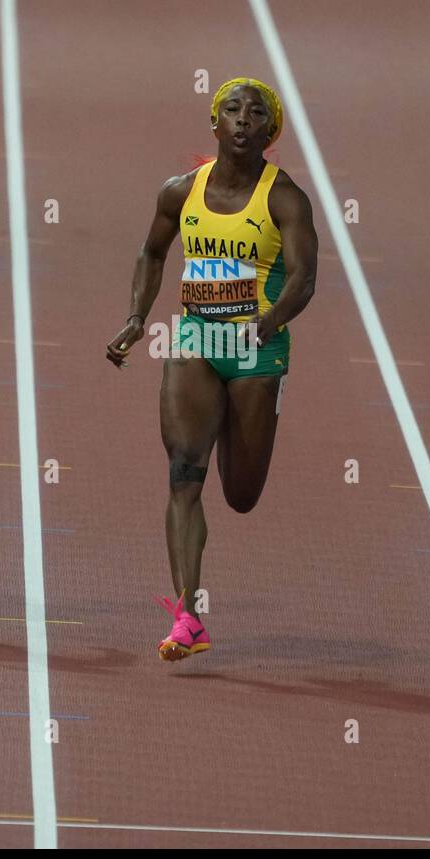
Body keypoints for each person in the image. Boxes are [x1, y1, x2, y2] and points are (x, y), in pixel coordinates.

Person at [105, 79, 318, 660]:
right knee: (183, 473)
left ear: (269, 133)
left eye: (256, 114)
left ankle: (235, 418)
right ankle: (187, 618)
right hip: (196, 340)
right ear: (214, 122)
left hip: (256, 352)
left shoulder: (285, 199)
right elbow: (152, 252)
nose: (243, 120)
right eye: (232, 110)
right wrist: (135, 318)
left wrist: (268, 323)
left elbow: (304, 278)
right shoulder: (181, 192)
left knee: (241, 494)